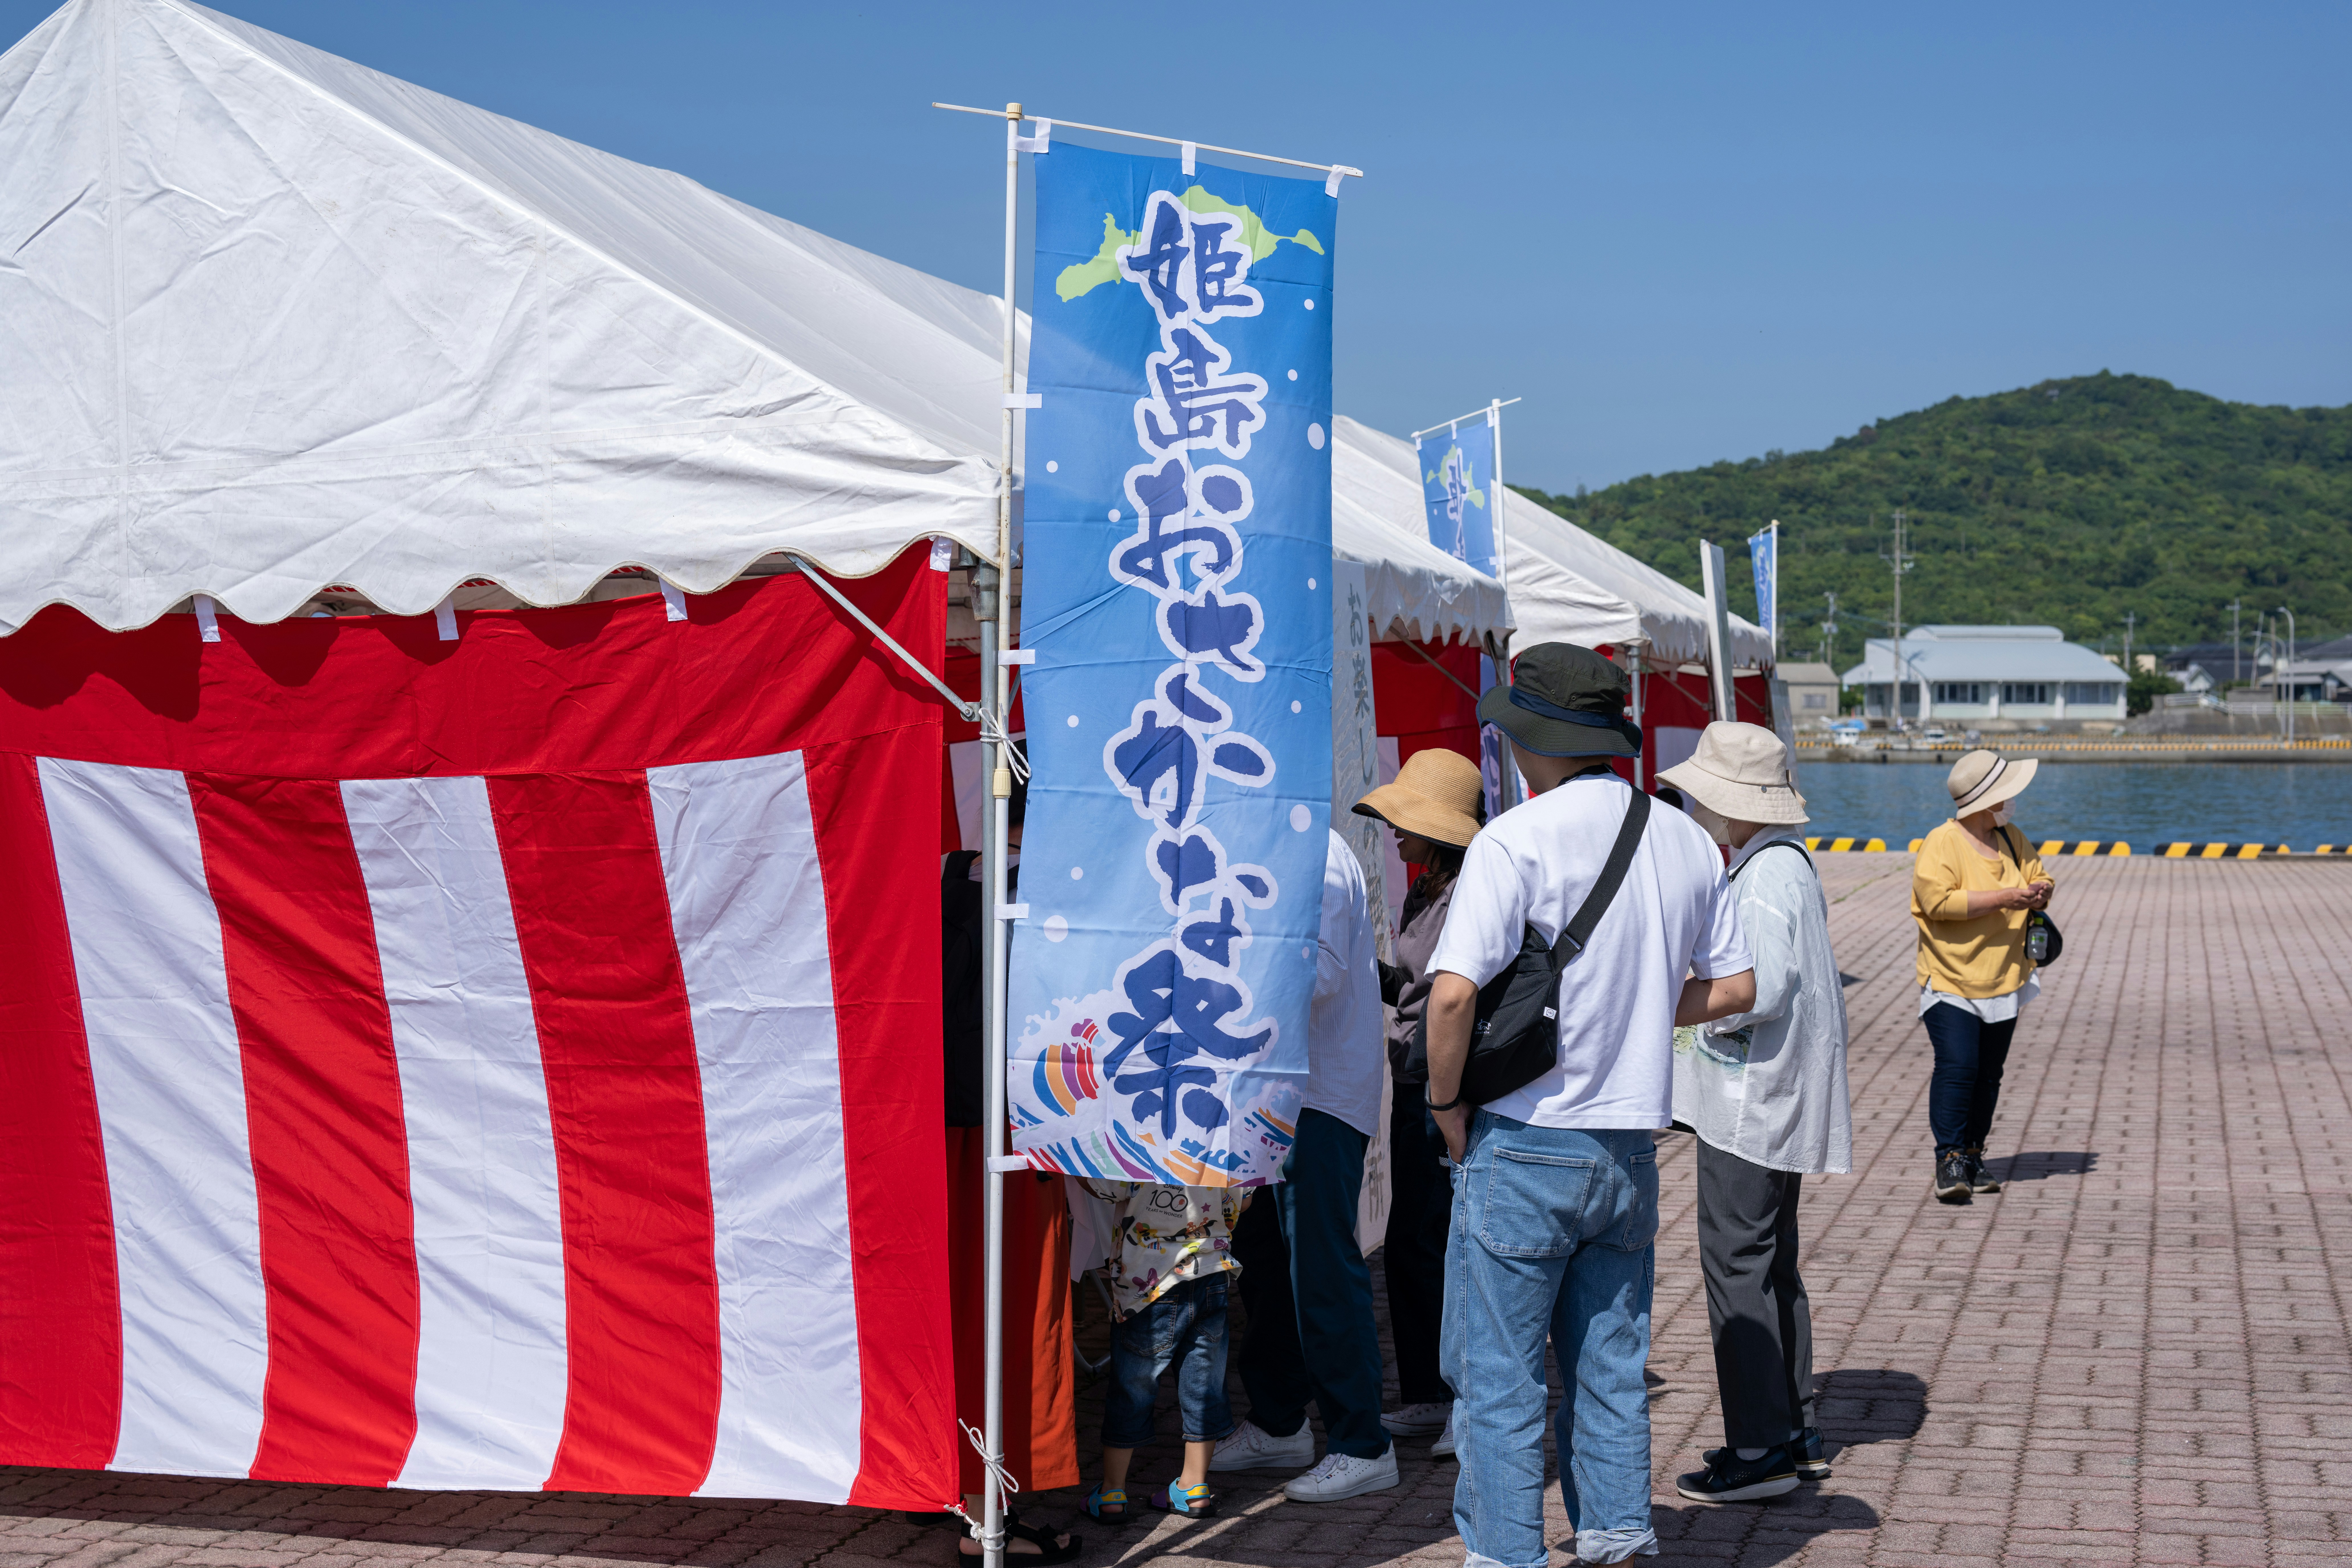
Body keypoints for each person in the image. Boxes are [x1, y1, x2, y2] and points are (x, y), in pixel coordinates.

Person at [1422, 643, 1756, 1568]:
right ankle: (1617, 1540)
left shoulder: (1513, 838)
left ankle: (1505, 1554)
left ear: (1530, 736)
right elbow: (1734, 989)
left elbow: (1451, 996)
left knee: (1499, 1379)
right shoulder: (1687, 838)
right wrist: (1649, 1010)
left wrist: (1446, 1103)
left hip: (1523, 1142)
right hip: (1629, 1150)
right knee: (1607, 1370)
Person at [1657, 724, 1852, 1504]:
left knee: (1737, 1263)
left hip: (1750, 1106)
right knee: (1768, 1263)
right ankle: (1791, 1428)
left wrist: (1670, 1003)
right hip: (1770, 1100)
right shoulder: (1781, 866)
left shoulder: (1765, 876)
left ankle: (1761, 1445)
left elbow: (1755, 993)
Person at [1213, 829, 1398, 1502]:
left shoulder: (1313, 851)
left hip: (1317, 1097)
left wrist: (1218, 955)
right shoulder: (1271, 841)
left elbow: (1318, 976)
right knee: (1263, 1262)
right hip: (1272, 1097)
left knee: (1320, 1267)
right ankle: (1279, 1420)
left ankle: (1361, 1441)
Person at [940, 763, 1081, 1563]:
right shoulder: (1050, 897)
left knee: (952, 1308)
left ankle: (951, 1484)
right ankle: (994, 1509)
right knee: (1019, 1313)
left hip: (943, 1124)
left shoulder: (950, 876)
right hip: (1018, 1130)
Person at [1350, 747, 1489, 1459]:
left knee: (1448, 1243)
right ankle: (1431, 1394)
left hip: (1442, 1086)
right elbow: (1410, 990)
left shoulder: (1464, 892)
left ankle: (1465, 1400)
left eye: (1406, 823)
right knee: (1412, 1242)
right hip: (1415, 1080)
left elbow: (1449, 999)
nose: (1394, 834)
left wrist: (1445, 1099)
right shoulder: (1427, 887)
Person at [1913, 750, 2054, 1204]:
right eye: (2005, 795)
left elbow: (2038, 875)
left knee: (1989, 1073)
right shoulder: (1942, 842)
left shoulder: (2011, 838)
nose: (2012, 802)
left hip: (2006, 977)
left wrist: (2039, 892)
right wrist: (2006, 898)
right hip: (1951, 978)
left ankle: (1974, 1154)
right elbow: (1938, 904)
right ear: (1984, 801)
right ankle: (1949, 1158)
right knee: (1959, 1069)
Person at [1075, 1180, 1248, 1522]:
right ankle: (1194, 1486)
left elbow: (1101, 1186)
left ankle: (1112, 1491)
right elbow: (1243, 1202)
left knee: (1132, 1388)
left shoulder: (1143, 1134)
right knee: (1205, 1384)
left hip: (1147, 1287)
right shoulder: (1222, 1138)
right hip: (1211, 1272)